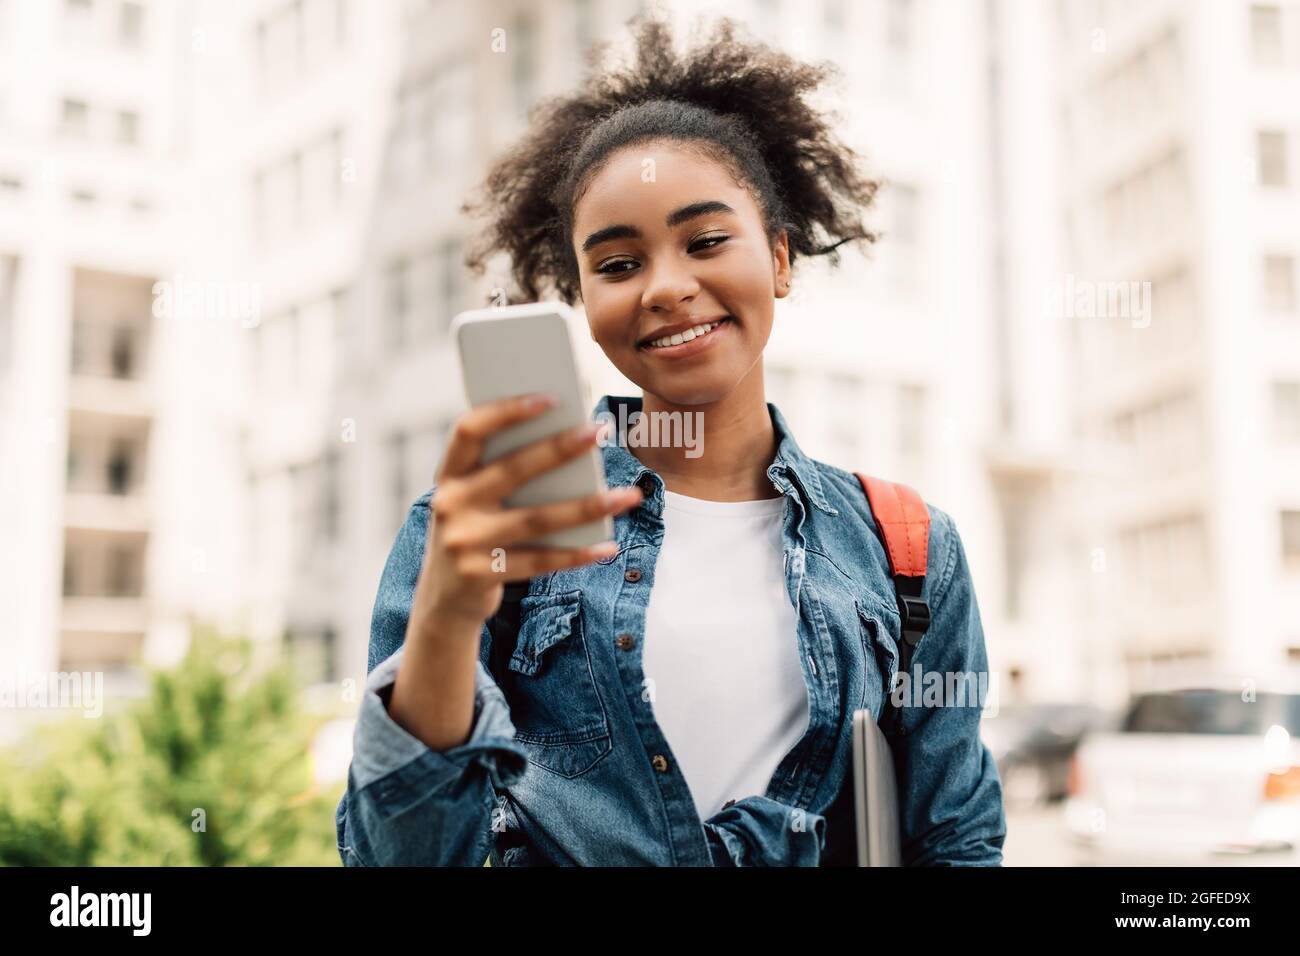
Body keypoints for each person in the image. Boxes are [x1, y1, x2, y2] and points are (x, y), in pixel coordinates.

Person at [336, 13, 1005, 866]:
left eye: (706, 240)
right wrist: (443, 621)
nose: (666, 286)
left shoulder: (907, 548)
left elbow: (958, 839)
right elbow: (399, 859)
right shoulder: (482, 530)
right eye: (618, 264)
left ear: (780, 258)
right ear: (581, 295)